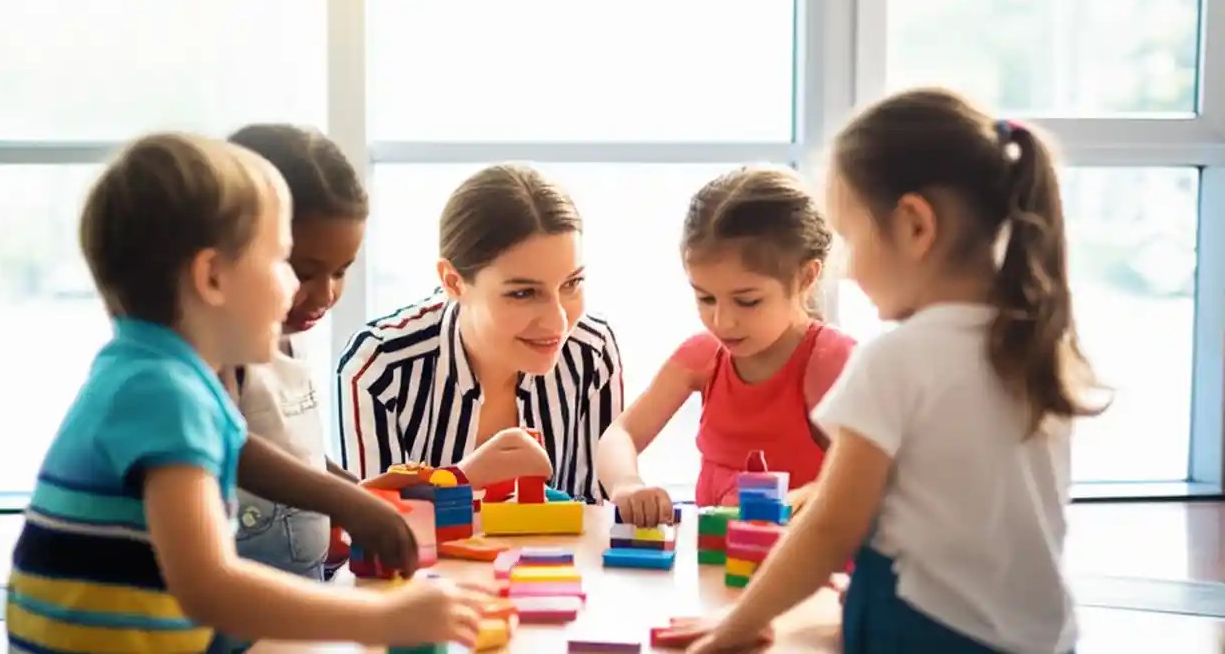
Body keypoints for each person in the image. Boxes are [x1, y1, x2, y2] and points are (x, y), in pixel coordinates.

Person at [5, 133, 488, 654]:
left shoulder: (153, 375)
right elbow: (211, 588)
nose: (297, 290)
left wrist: (356, 499)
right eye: (284, 261)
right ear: (212, 276)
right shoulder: (163, 393)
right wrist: (378, 616)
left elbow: (247, 455)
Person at [686, 88, 1108, 653]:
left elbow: (833, 530)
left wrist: (734, 625)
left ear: (914, 225)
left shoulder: (897, 358)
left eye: (852, 239)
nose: (850, 268)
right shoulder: (1034, 345)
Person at [202, 124, 420, 654]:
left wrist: (363, 490)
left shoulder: (281, 335)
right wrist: (348, 501)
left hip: (295, 603)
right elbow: (238, 447)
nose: (325, 294)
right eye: (303, 271)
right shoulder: (217, 352)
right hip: (236, 625)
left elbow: (293, 451)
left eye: (342, 271)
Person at [337, 163, 623, 503]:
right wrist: (461, 480)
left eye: (571, 284)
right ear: (454, 282)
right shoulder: (381, 367)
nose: (558, 322)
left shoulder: (592, 351)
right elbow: (373, 534)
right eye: (523, 293)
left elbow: (600, 518)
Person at [596, 165, 856, 526]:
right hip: (716, 565)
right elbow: (619, 434)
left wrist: (813, 496)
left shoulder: (828, 360)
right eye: (705, 298)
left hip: (806, 571)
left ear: (806, 277)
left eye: (747, 301)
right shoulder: (703, 358)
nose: (722, 322)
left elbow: (874, 477)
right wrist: (627, 484)